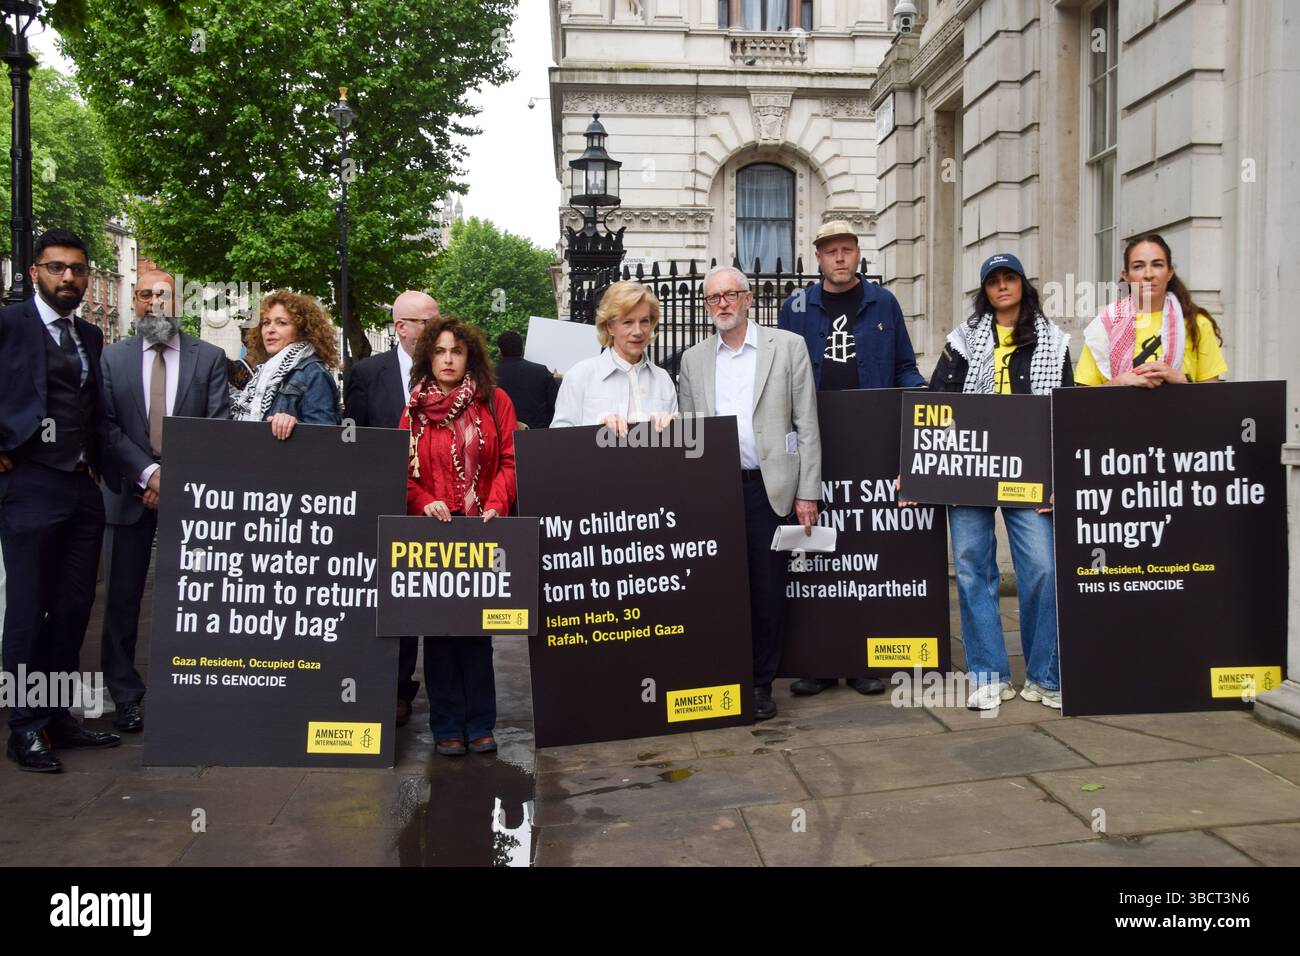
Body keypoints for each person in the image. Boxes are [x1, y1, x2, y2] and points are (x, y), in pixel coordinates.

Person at [778, 219, 926, 698]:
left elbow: (904, 364)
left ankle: (864, 659)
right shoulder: (796, 307)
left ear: (858, 253)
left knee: (869, 548)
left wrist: (923, 403)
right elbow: (780, 374)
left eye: (846, 249)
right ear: (817, 256)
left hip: (871, 433)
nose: (838, 258)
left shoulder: (884, 302)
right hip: (816, 435)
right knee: (816, 546)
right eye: (829, 251)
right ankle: (820, 660)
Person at [0, 228, 122, 772]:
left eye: (77, 269)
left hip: (80, 485)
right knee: (27, 608)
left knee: (74, 608)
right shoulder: (9, 324)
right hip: (28, 483)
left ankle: (57, 717)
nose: (68, 277)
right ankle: (24, 727)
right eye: (56, 268)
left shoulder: (90, 336)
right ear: (34, 273)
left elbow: (92, 409)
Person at [677, 266, 821, 721]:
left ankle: (761, 684)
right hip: (716, 492)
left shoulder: (788, 347)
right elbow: (687, 433)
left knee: (767, 591)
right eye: (713, 297)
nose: (722, 303)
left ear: (748, 298)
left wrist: (807, 492)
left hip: (770, 489)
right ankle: (726, 677)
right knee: (720, 591)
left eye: (731, 295)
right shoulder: (692, 360)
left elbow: (807, 425)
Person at [929, 252, 1071, 711]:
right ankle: (989, 675)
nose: (1002, 286)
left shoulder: (1054, 342)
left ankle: (1044, 676)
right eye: (994, 281)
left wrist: (1060, 477)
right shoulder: (962, 342)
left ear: (1022, 286)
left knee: (1044, 568)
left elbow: (1064, 414)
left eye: (1010, 278)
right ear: (985, 291)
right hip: (969, 469)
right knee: (972, 569)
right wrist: (918, 468)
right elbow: (936, 405)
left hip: (1029, 474)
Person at [99, 268, 230, 733]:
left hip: (192, 499)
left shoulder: (209, 357)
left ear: (180, 304)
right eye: (145, 294)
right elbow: (106, 427)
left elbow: (216, 428)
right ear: (133, 302)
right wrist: (151, 475)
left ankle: (190, 690)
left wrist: (175, 479)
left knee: (195, 598)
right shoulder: (110, 359)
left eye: (165, 295)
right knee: (121, 601)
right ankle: (126, 696)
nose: (155, 303)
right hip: (127, 495)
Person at [399, 315, 518, 756]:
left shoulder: (494, 401)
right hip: (432, 532)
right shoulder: (412, 409)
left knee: (478, 631)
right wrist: (421, 500)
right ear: (429, 356)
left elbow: (509, 459)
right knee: (439, 633)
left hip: (480, 527)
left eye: (457, 351)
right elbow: (399, 471)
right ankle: (447, 725)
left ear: (470, 356)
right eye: (440, 351)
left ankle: (481, 722)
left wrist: (496, 504)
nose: (448, 359)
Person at [345, 290, 439, 727]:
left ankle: (442, 693)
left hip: (440, 504)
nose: (437, 328)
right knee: (390, 599)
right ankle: (395, 688)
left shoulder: (450, 370)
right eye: (426, 321)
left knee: (437, 598)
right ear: (401, 327)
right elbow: (356, 438)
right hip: (386, 501)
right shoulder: (366, 374)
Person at [1076, 232, 1226, 387]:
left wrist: (1182, 380)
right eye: (1138, 266)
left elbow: (1211, 398)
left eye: (1157, 264)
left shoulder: (1196, 323)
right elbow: (1081, 399)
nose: (1148, 274)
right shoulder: (1106, 324)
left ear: (1169, 273)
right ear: (1126, 275)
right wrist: (1117, 384)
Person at [551, 281, 677, 430]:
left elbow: (679, 445)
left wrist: (672, 428)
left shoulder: (663, 380)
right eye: (628, 322)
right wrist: (596, 430)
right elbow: (558, 438)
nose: (638, 331)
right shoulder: (580, 376)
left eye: (644, 321)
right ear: (610, 327)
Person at [231, 291, 341, 435]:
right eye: (266, 323)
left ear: (302, 330)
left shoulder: (314, 373)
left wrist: (294, 424)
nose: (270, 330)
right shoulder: (265, 371)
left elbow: (324, 436)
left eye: (281, 323)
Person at [494, 330, 559, 429]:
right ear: (522, 347)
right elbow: (556, 406)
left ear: (500, 350)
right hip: (538, 436)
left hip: (502, 436)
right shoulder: (541, 371)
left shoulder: (489, 375)